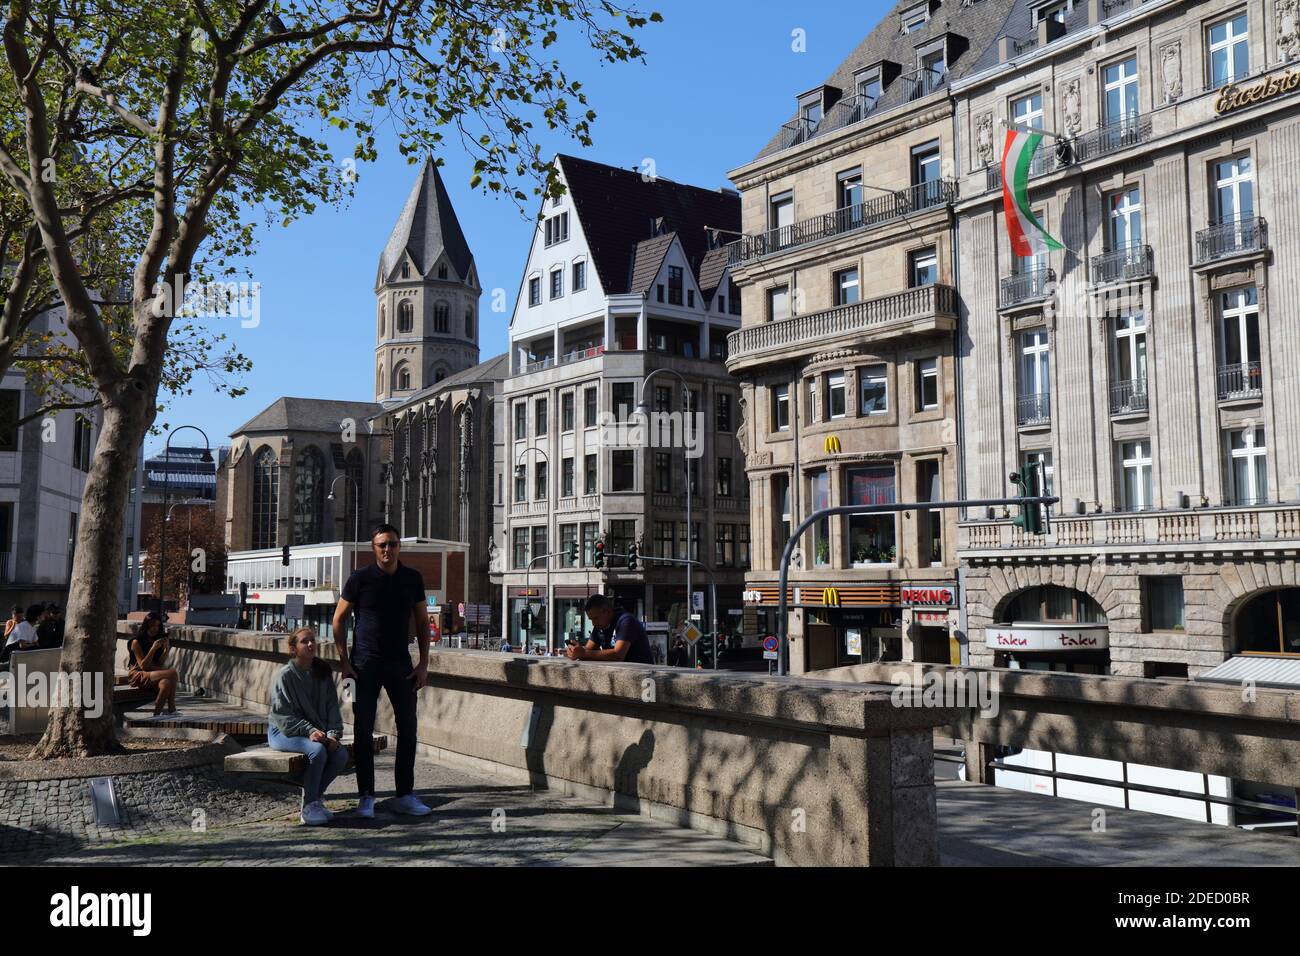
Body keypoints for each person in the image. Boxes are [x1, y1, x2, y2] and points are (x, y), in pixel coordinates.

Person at [332, 525, 432, 819]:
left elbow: (423, 622)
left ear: (399, 546)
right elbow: (339, 619)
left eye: (392, 544)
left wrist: (424, 663)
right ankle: (366, 797)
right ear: (373, 548)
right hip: (362, 665)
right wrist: (344, 661)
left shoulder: (412, 578)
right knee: (362, 730)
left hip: (400, 663)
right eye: (381, 545)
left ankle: (405, 795)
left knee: (409, 729)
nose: (387, 550)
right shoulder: (359, 579)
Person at [268, 627, 348, 826]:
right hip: (284, 732)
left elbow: (332, 708)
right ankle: (309, 805)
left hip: (318, 732)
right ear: (293, 648)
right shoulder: (284, 676)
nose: (311, 644)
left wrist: (333, 735)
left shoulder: (323, 673)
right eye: (305, 641)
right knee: (317, 751)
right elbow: (283, 716)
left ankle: (314, 799)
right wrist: (309, 730)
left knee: (341, 755)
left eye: (312, 640)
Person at [566, 594, 654, 665]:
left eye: (595, 618)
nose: (593, 623)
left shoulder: (625, 621)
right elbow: (589, 649)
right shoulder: (600, 625)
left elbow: (618, 655)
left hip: (643, 677)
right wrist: (576, 650)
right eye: (591, 619)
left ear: (607, 611)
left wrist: (584, 653)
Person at [128, 611, 179, 717]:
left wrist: (166, 649)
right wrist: (153, 648)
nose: (155, 628)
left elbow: (160, 663)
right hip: (138, 674)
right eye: (152, 625)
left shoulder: (156, 640)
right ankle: (172, 709)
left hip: (152, 673)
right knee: (173, 673)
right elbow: (143, 666)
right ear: (146, 625)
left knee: (166, 683)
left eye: (157, 625)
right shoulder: (136, 642)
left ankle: (156, 716)